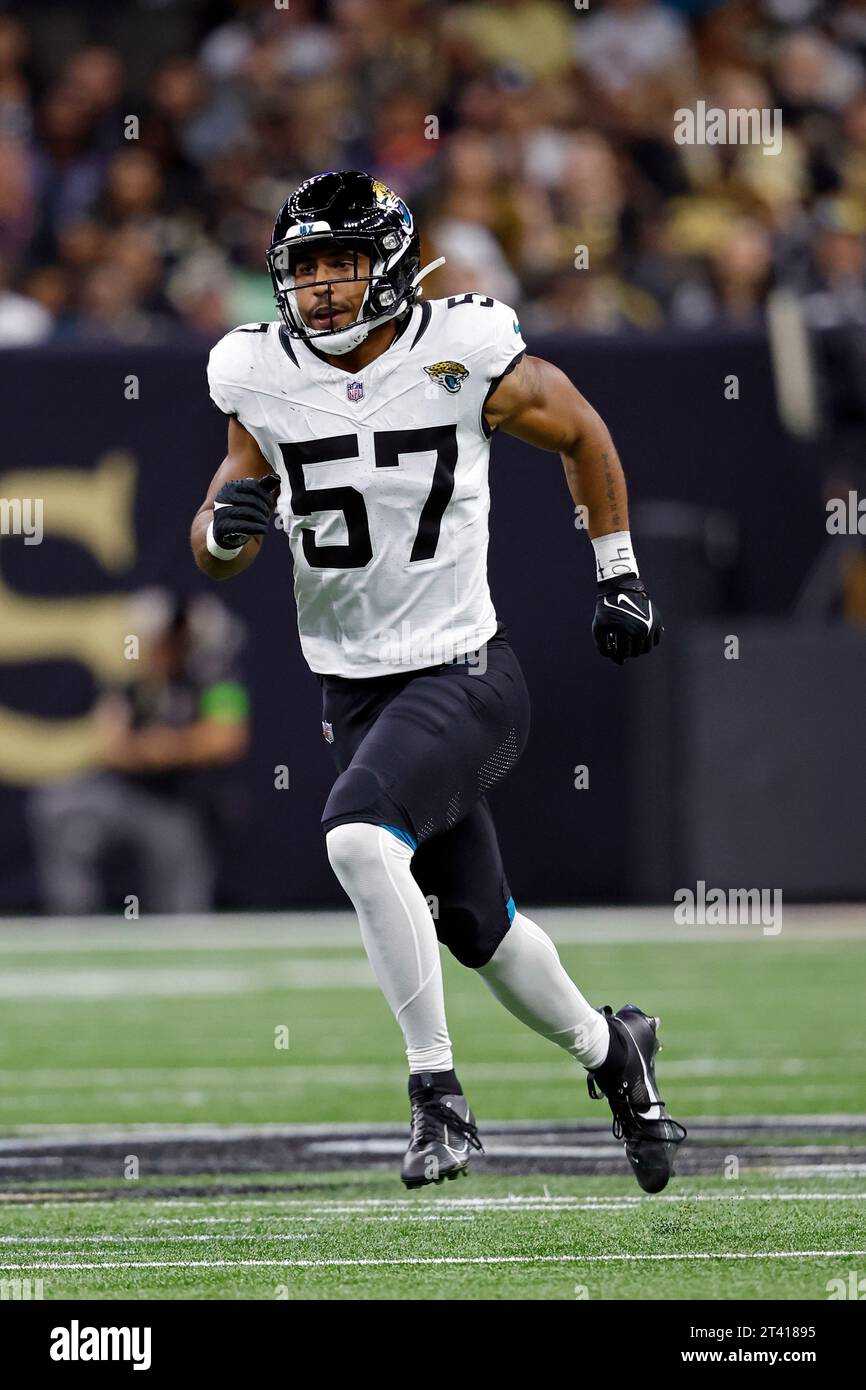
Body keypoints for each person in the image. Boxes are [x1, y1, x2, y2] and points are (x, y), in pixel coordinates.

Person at [190, 170, 685, 1192]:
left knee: (357, 838)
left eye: (343, 262)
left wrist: (619, 572)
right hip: (352, 689)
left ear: (391, 263)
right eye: (308, 266)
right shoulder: (254, 369)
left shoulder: (459, 347)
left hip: (463, 669)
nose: (323, 285)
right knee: (477, 928)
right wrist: (221, 534)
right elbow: (216, 534)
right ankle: (613, 1052)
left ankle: (437, 1098)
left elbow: (579, 427)